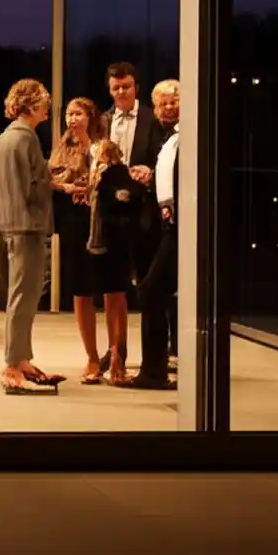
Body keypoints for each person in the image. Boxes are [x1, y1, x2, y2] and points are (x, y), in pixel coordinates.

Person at [96, 62, 166, 375]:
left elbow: (161, 158)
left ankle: (156, 360)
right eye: (116, 88)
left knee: (149, 286)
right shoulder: (103, 120)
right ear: (110, 90)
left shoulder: (153, 119)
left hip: (144, 210)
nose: (121, 92)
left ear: (136, 87)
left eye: (126, 86)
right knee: (113, 285)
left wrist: (149, 174)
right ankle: (117, 354)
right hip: (110, 212)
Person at [0, 78, 62, 394]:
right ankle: (12, 365)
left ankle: (20, 359)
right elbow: (31, 185)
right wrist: (55, 182)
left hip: (14, 224)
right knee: (24, 296)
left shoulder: (7, 138)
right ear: (33, 104)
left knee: (22, 294)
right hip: (27, 226)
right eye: (45, 101)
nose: (48, 107)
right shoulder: (26, 138)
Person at [48, 97, 111, 384]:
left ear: (90, 116)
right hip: (75, 221)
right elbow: (48, 179)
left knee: (110, 288)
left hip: (102, 220)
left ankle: (115, 355)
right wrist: (66, 187)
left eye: (78, 114)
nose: (72, 120)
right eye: (69, 115)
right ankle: (92, 355)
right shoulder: (63, 147)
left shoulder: (102, 145)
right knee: (81, 290)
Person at [128, 79, 180, 390]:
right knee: (153, 296)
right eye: (164, 102)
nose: (170, 106)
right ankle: (153, 370)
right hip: (153, 225)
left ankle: (156, 370)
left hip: (174, 227)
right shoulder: (160, 134)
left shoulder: (187, 135)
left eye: (175, 101)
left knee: (151, 291)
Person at [86, 138, 147, 386]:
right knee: (111, 298)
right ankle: (114, 358)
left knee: (115, 298)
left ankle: (117, 359)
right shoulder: (100, 176)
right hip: (104, 244)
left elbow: (125, 199)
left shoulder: (113, 174)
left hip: (112, 244)